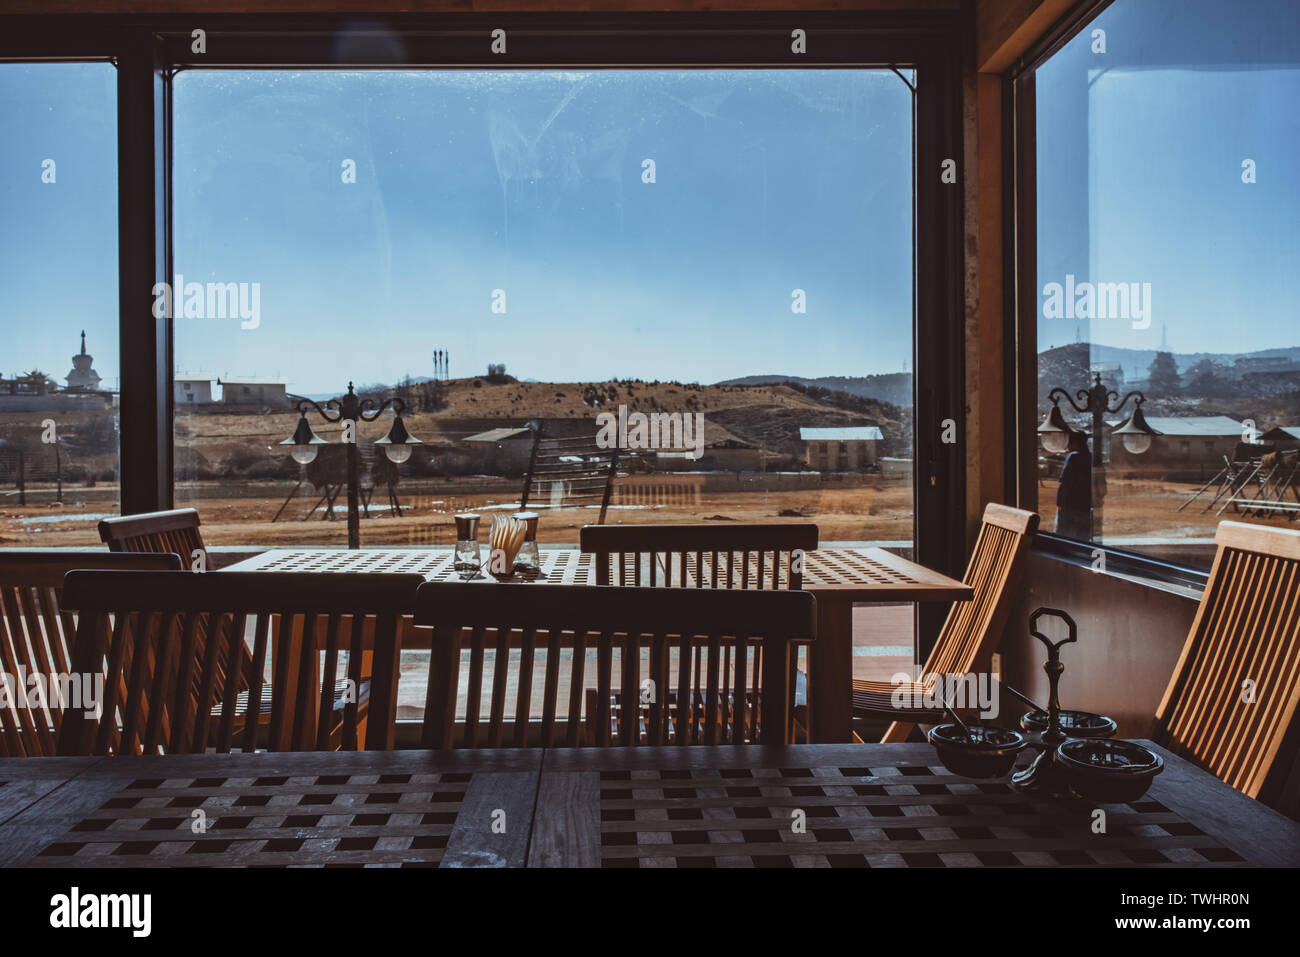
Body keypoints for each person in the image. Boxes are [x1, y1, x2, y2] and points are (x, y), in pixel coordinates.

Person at [1055, 430, 1092, 539]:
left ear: (1074, 443)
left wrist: (1060, 502)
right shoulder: (1091, 457)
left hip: (1070, 507)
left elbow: (1065, 481)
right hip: (1085, 507)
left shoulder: (1073, 457)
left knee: (1064, 538)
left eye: (1068, 442)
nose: (1067, 446)